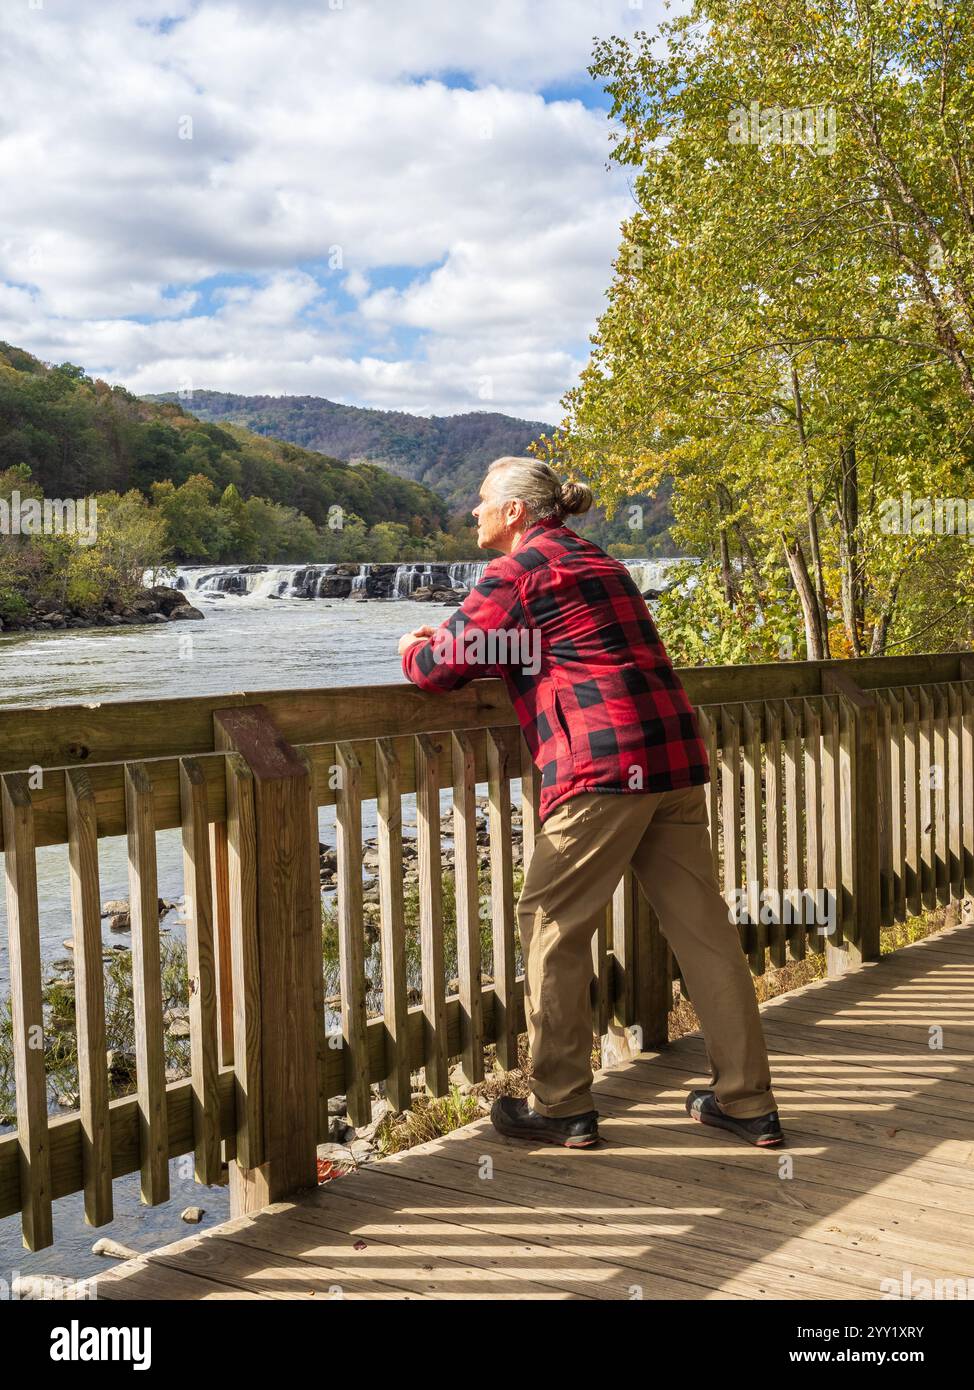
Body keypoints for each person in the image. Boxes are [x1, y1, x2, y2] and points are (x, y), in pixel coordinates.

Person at [399, 456, 782, 1150]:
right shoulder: (599, 563)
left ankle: (563, 1104)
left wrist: (410, 647)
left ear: (516, 511)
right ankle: (748, 1103)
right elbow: (560, 645)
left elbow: (438, 670)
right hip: (672, 758)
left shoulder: (518, 571)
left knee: (551, 927)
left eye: (482, 500)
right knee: (705, 934)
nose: (473, 512)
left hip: (602, 768)